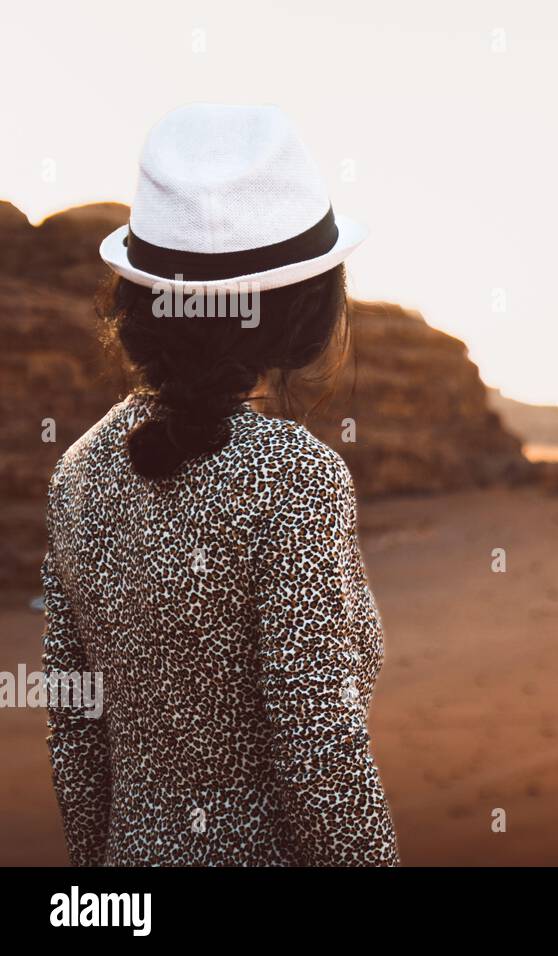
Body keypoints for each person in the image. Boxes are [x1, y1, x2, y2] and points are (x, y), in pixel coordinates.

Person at [42, 103, 398, 865]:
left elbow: (75, 730)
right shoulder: (295, 478)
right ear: (304, 311)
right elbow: (320, 747)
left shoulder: (75, 473)